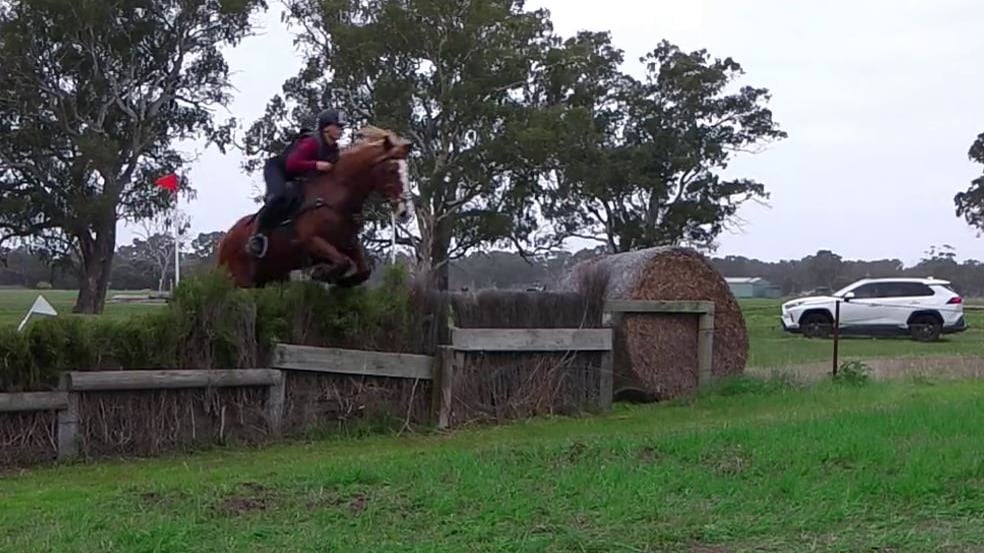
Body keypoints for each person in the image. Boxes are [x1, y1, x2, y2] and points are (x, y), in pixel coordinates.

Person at [247, 109, 347, 258]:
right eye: (338, 126)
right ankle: (257, 235)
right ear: (326, 128)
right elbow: (291, 164)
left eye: (342, 127)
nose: (341, 130)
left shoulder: (333, 150)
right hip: (279, 170)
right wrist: (316, 165)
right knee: (279, 197)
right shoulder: (312, 142)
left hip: (297, 178)